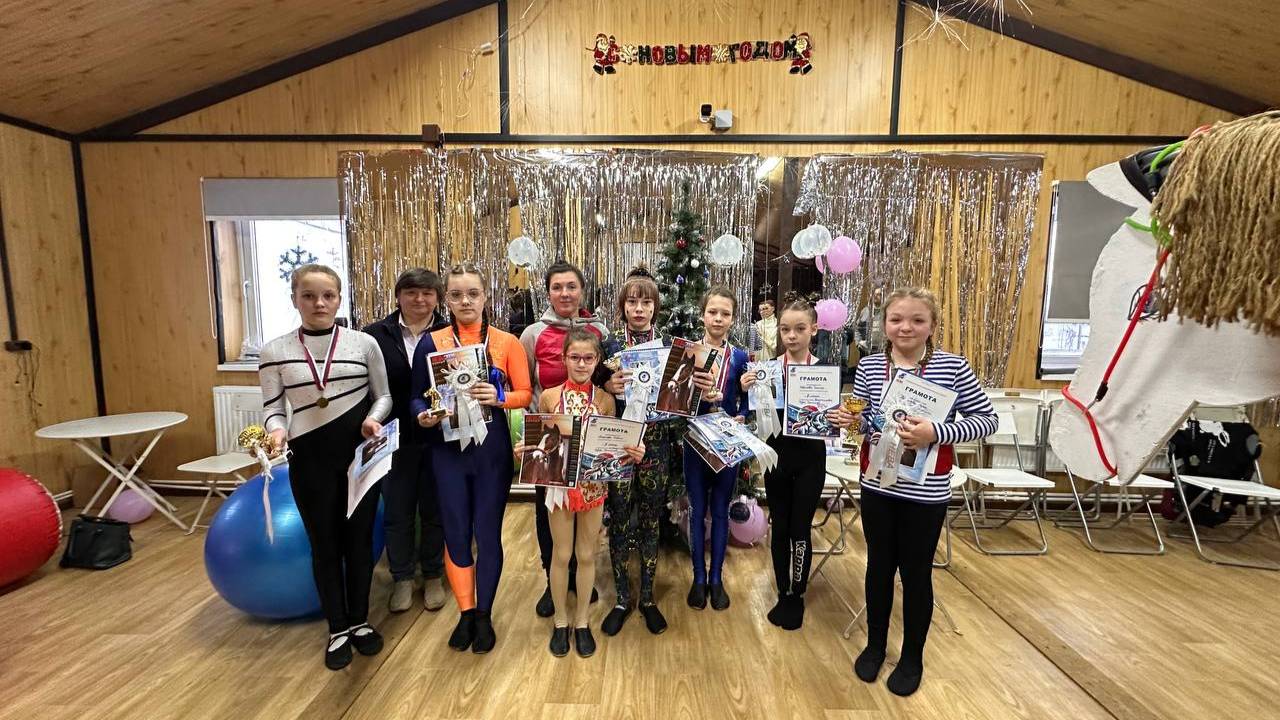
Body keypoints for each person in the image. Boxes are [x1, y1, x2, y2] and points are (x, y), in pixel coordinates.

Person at [834, 287, 997, 697]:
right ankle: (875, 645)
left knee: (916, 573)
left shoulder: (953, 367)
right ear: (884, 325)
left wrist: (935, 432)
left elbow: (986, 420)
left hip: (925, 492)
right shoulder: (870, 366)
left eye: (917, 320)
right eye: (896, 319)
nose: (905, 327)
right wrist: (851, 421)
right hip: (878, 484)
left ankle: (912, 657)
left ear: (932, 325)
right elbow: (867, 421)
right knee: (878, 567)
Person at [259, 264, 392, 671]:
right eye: (309, 296)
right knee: (325, 545)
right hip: (309, 461)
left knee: (359, 542)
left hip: (360, 456)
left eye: (328, 296)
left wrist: (373, 420)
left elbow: (383, 396)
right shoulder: (274, 351)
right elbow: (272, 408)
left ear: (339, 299)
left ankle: (360, 620)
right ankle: (337, 628)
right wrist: (276, 431)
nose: (319, 303)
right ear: (294, 299)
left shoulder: (364, 343)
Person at [409, 263, 532, 654]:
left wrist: (499, 397)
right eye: (457, 294)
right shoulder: (431, 343)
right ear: (446, 299)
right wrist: (423, 415)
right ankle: (464, 612)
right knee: (456, 533)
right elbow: (416, 397)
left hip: (491, 453)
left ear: (485, 296)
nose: (465, 301)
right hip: (447, 452)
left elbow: (525, 393)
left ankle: (484, 614)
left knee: (488, 533)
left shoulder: (507, 342)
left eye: (473, 294)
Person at [515, 328, 645, 657]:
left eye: (588, 358)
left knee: (586, 555)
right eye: (575, 357)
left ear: (598, 360)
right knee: (561, 555)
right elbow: (542, 440)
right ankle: (561, 622)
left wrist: (632, 450)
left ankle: (583, 621)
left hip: (592, 486)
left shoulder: (605, 400)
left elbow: (612, 444)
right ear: (564, 359)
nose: (582, 364)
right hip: (559, 486)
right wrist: (527, 450)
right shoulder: (549, 397)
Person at [742, 293, 839, 630]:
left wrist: (838, 416)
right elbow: (756, 415)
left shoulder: (824, 371)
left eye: (799, 328)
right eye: (785, 329)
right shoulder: (766, 371)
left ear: (813, 329)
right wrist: (746, 389)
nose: (792, 336)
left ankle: (797, 593)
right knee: (780, 526)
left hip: (810, 460)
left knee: (800, 528)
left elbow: (832, 418)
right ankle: (782, 590)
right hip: (777, 458)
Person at [518, 260, 608, 617]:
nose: (565, 293)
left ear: (582, 291)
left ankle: (578, 586)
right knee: (550, 527)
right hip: (551, 446)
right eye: (557, 287)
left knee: (585, 544)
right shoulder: (533, 334)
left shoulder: (599, 331)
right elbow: (525, 386)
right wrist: (533, 439)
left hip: (590, 464)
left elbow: (608, 382)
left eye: (572, 286)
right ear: (548, 292)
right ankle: (551, 583)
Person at [363, 268, 450, 614]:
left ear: (437, 298)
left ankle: (432, 574)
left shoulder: (450, 333)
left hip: (439, 438)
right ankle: (401, 577)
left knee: (434, 510)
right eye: (411, 292)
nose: (419, 299)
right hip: (391, 437)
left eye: (427, 293)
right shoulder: (374, 335)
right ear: (398, 296)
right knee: (397, 511)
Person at [599, 268, 675, 636]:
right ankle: (620, 599)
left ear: (655, 307)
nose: (639, 309)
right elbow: (595, 385)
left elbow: (679, 393)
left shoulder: (669, 346)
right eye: (632, 302)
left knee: (650, 520)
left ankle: (646, 598)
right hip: (619, 443)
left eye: (646, 302)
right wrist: (607, 384)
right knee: (618, 518)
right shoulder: (610, 344)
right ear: (623, 306)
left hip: (656, 445)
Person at [682, 286, 749, 611]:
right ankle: (698, 578)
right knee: (697, 510)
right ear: (702, 315)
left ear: (733, 318)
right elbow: (676, 396)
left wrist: (743, 415)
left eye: (725, 313)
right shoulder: (689, 353)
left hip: (727, 442)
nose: (718, 318)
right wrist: (695, 398)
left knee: (720, 510)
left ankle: (716, 578)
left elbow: (748, 399)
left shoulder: (740, 357)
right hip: (695, 441)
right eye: (713, 312)